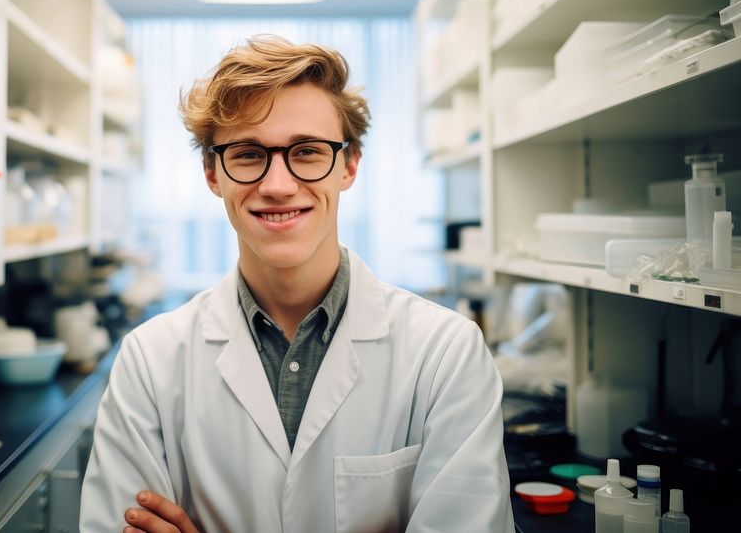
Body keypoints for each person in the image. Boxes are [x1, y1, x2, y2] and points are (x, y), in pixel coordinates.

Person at [80, 35, 514, 532]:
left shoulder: (446, 355)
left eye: (307, 151)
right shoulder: (149, 361)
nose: (278, 185)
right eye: (246, 154)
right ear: (212, 172)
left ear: (349, 165)